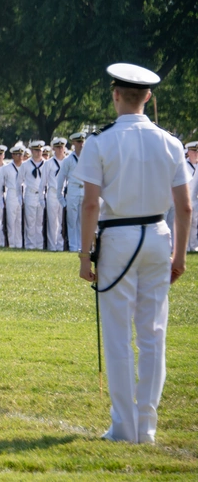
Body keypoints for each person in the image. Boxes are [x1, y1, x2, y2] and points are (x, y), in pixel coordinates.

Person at [78, 63, 190, 444]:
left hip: (118, 237)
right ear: (148, 97)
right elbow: (185, 207)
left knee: (118, 334)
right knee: (153, 333)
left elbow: (90, 204)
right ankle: (147, 427)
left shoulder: (99, 142)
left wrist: (82, 256)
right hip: (159, 235)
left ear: (115, 96)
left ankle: (124, 427)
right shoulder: (171, 143)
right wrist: (181, 256)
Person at [58, 132, 86, 252]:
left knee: (82, 221)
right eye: (78, 142)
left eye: (82, 142)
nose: (81, 144)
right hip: (73, 190)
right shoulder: (68, 160)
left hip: (84, 190)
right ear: (74, 143)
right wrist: (61, 199)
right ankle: (73, 246)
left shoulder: (87, 157)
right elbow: (61, 179)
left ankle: (80, 246)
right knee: (72, 221)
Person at [19, 140, 47, 250]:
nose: (38, 152)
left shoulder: (47, 164)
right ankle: (30, 245)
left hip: (41, 195)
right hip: (30, 195)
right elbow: (19, 182)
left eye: (40, 150)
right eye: (36, 150)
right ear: (31, 151)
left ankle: (39, 246)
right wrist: (19, 197)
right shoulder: (25, 165)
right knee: (30, 223)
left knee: (39, 223)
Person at [44, 137, 68, 251]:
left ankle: (60, 245)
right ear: (54, 149)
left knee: (62, 221)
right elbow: (43, 182)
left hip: (64, 194)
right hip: (53, 193)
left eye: (61, 147)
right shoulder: (49, 163)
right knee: (53, 222)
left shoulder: (68, 161)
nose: (60, 149)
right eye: (57, 147)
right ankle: (52, 246)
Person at [1, 143, 25, 248]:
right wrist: (1, 200)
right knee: (11, 221)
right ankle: (11, 243)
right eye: (17, 154)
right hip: (11, 194)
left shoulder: (26, 166)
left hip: (23, 194)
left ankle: (19, 244)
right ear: (13, 155)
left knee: (20, 221)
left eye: (21, 154)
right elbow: (0, 186)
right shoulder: (6, 168)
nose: (19, 156)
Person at [186, 141, 198, 251]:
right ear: (188, 152)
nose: (196, 154)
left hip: (194, 200)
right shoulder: (183, 165)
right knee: (185, 224)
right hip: (183, 200)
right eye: (194, 151)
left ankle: (193, 246)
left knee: (194, 224)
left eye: (197, 151)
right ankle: (184, 247)